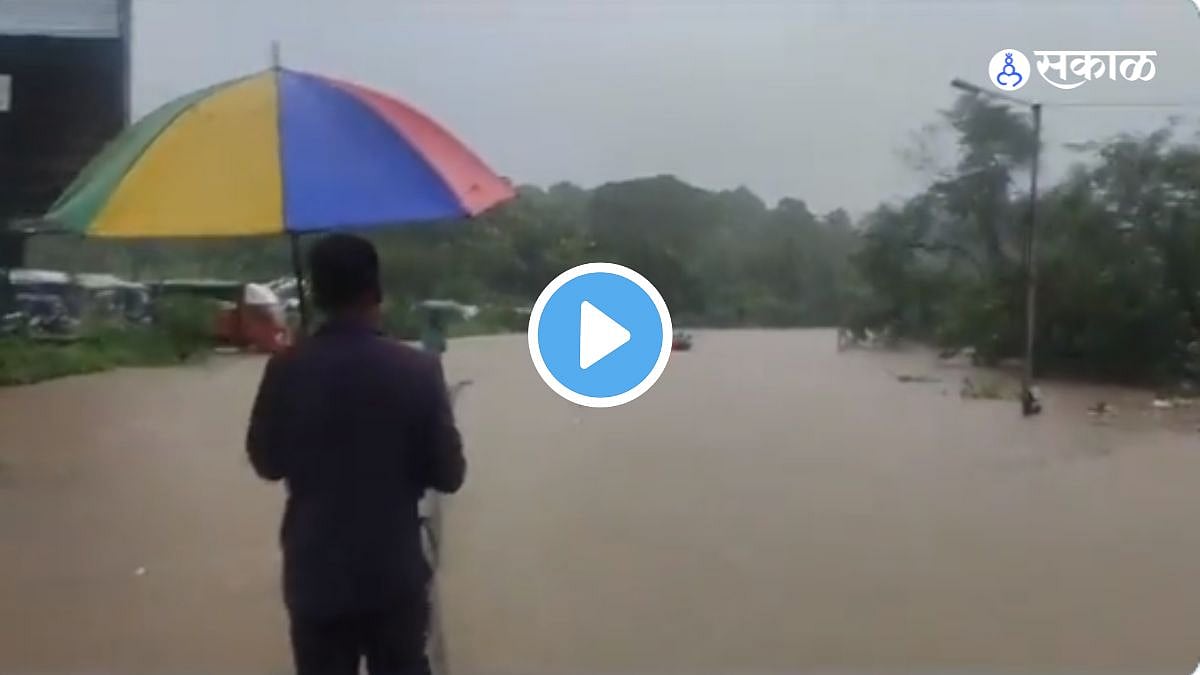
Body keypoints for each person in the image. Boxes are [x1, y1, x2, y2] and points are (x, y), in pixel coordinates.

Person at [247, 233, 465, 675]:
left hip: (316, 577)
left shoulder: (287, 368)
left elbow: (266, 462)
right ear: (375, 291)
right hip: (393, 575)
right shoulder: (417, 370)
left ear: (316, 293)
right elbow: (449, 474)